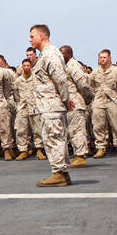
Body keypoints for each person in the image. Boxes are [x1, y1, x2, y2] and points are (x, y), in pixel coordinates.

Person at [30, 24, 73, 186]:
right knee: (55, 138)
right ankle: (61, 172)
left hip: (52, 105)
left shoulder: (50, 54)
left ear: (42, 36)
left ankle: (59, 173)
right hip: (48, 105)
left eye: (32, 36)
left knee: (54, 138)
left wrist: (65, 100)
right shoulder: (45, 55)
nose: (30, 39)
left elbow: (60, 79)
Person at [89, 49, 117, 158]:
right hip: (99, 101)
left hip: (113, 101)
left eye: (104, 57)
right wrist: (97, 95)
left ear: (109, 58)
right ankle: (101, 147)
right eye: (100, 57)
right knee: (98, 125)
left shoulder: (116, 71)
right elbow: (91, 87)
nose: (102, 59)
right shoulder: (94, 73)